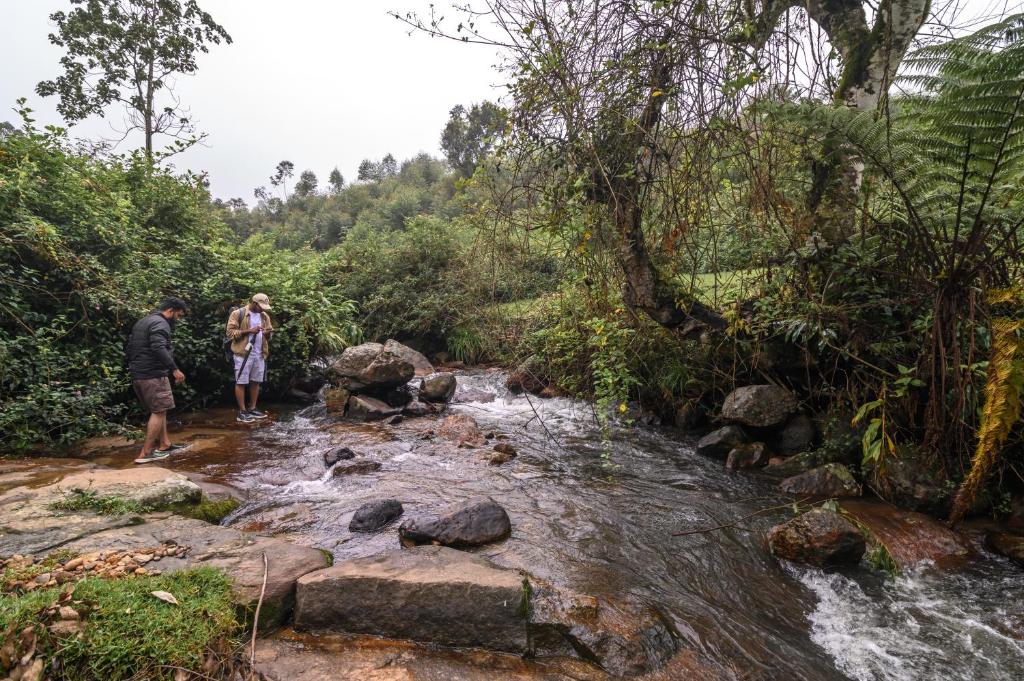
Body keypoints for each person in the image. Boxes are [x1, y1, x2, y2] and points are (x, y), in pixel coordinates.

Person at [126, 297, 188, 464]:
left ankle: (165, 444)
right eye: (178, 315)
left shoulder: (144, 321)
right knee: (159, 411)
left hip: (139, 374)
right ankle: (146, 453)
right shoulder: (161, 323)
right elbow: (158, 347)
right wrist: (174, 369)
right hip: (152, 375)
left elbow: (130, 347)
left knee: (161, 409)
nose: (178, 319)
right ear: (170, 311)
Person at [227, 293, 274, 423]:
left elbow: (269, 335)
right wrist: (249, 331)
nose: (263, 309)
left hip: (259, 354)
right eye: (261, 306)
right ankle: (242, 411)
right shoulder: (238, 313)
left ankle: (252, 408)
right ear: (254, 303)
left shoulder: (264, 316)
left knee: (256, 381)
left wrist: (267, 334)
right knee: (241, 381)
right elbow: (230, 333)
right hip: (242, 353)